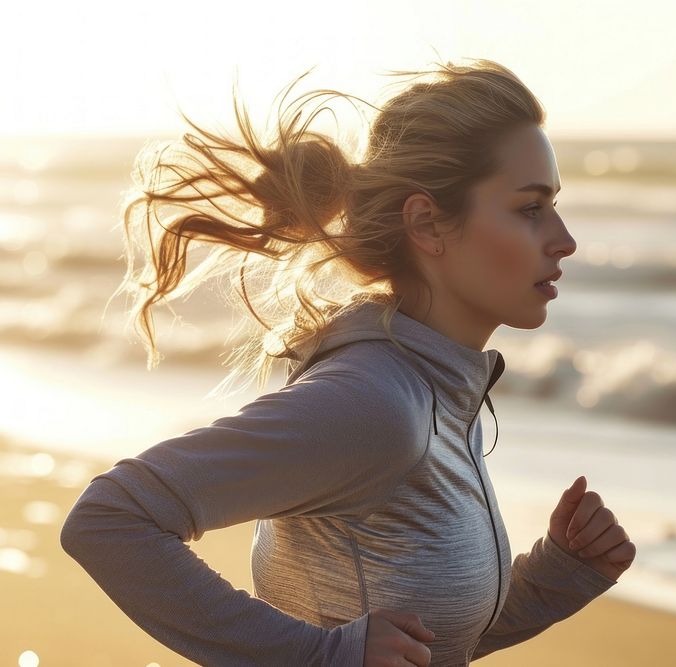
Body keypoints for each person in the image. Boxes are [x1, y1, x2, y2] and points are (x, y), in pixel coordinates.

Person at [61, 58, 636, 666]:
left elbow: (423, 642)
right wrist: (313, 657)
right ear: (426, 223)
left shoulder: (436, 389)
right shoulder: (374, 403)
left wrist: (561, 575)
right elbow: (110, 519)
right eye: (530, 208)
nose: (564, 238)